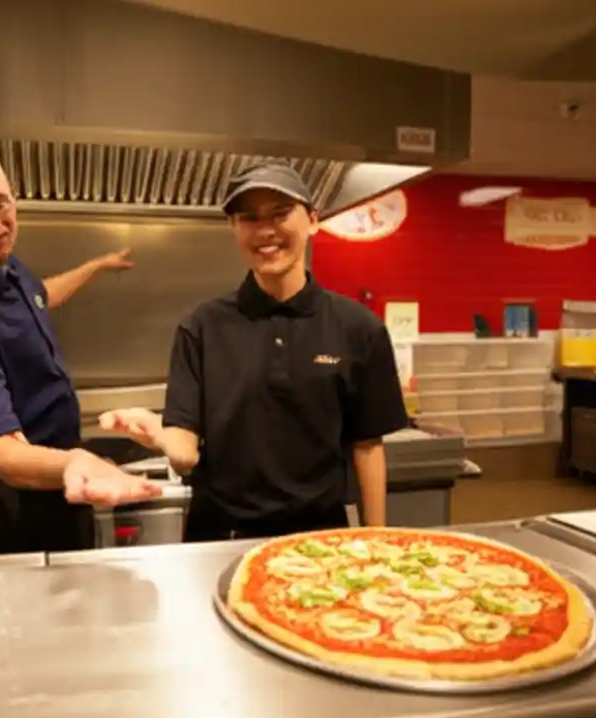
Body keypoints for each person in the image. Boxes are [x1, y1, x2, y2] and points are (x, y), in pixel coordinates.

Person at [100, 160, 409, 542]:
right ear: (234, 227)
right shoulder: (202, 327)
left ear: (313, 220)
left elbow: (368, 447)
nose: (265, 230)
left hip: (319, 539)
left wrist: (377, 542)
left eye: (280, 213)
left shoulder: (359, 328)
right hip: (219, 536)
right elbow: (184, 452)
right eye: (249, 217)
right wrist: (156, 433)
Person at [0, 143, 161, 555]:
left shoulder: (3, 266)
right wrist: (78, 461)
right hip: (13, 507)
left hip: (57, 482)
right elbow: (4, 455)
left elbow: (39, 296)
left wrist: (95, 266)